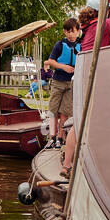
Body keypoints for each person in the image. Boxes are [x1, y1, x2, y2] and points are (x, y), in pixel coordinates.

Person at [42, 17, 81, 147]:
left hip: (71, 83)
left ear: (78, 31)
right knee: (53, 110)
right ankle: (52, 137)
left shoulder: (81, 44)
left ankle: (60, 137)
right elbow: (51, 61)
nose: (70, 34)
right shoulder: (59, 45)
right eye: (68, 31)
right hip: (58, 81)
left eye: (73, 31)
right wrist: (64, 67)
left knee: (65, 111)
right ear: (64, 32)